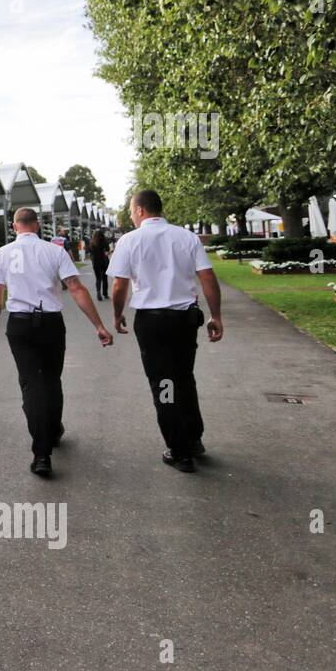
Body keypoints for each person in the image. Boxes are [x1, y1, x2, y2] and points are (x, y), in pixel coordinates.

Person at [0, 208, 113, 475]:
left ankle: (42, 453)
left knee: (31, 385)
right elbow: (76, 287)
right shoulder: (55, 251)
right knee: (52, 380)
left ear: (15, 226)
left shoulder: (2, 254)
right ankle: (52, 429)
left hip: (20, 324)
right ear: (38, 225)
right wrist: (98, 325)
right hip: (51, 323)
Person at [108, 189, 223, 473]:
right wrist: (216, 315)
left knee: (164, 383)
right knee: (184, 377)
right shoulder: (186, 237)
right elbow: (207, 277)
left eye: (132, 211)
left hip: (152, 321)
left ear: (139, 210)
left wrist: (118, 313)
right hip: (184, 319)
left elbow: (120, 285)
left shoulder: (129, 241)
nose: (132, 216)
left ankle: (179, 449)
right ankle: (193, 438)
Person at [89, 229, 111, 301]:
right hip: (104, 262)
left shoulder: (92, 243)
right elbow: (107, 251)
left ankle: (98, 292)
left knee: (98, 278)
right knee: (104, 278)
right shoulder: (104, 242)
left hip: (95, 263)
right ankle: (105, 294)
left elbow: (90, 253)